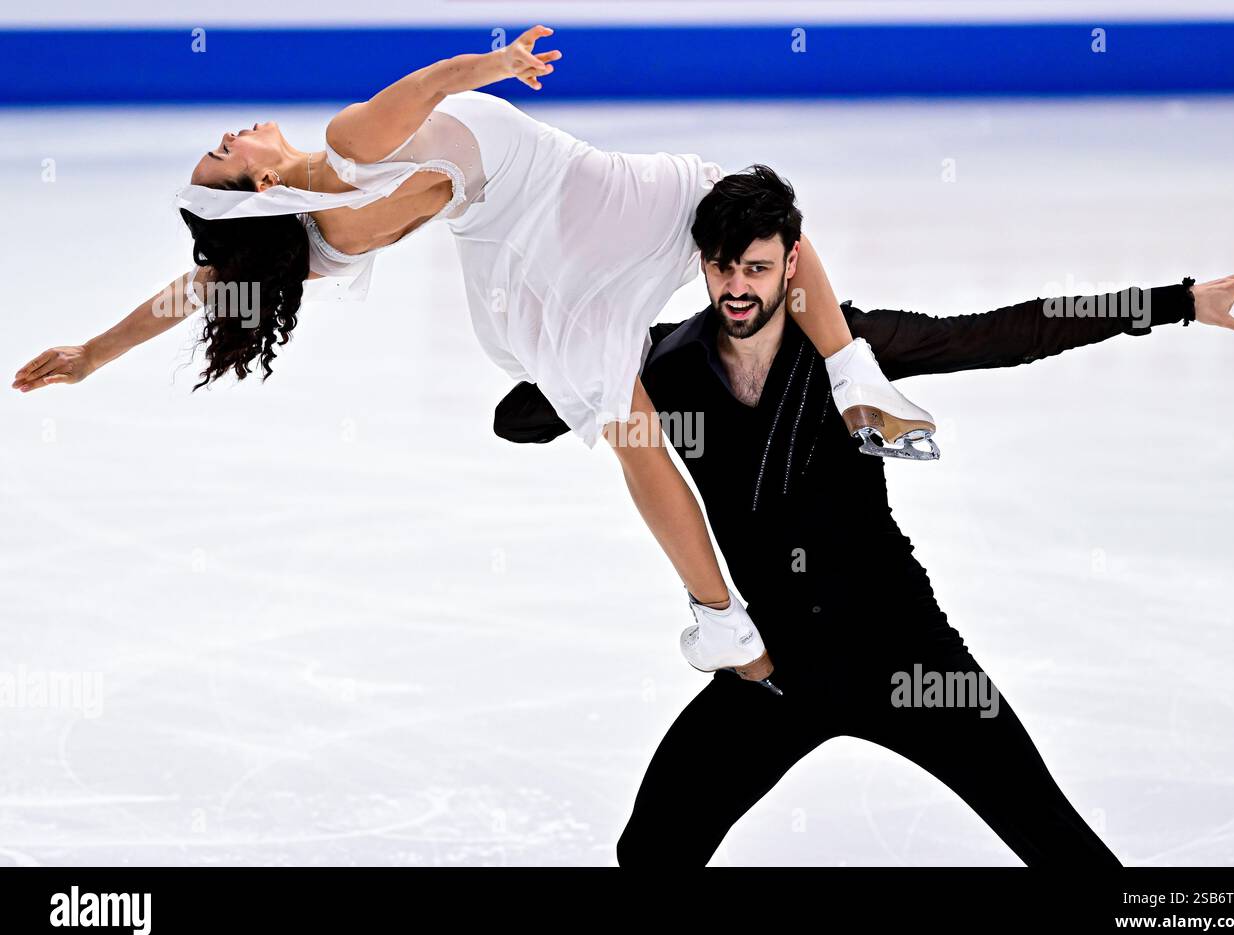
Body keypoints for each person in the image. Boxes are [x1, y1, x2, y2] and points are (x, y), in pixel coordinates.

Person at [9, 26, 935, 681]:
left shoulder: (311, 248)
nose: (224, 136)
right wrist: (497, 60)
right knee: (750, 211)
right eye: (222, 156)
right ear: (258, 180)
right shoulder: (337, 147)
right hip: (577, 194)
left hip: (519, 281)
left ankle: (726, 626)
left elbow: (199, 289)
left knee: (631, 430)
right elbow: (425, 92)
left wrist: (93, 353)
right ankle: (852, 371)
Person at [494, 170, 1234, 864]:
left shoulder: (852, 350)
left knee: (1057, 840)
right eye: (722, 267)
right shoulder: (665, 365)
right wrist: (596, 340)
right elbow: (518, 419)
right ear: (699, 264)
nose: (738, 287)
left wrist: (1174, 303)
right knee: (652, 847)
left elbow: (1007, 333)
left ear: (793, 263)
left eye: (758, 268)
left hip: (903, 656)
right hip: (773, 671)